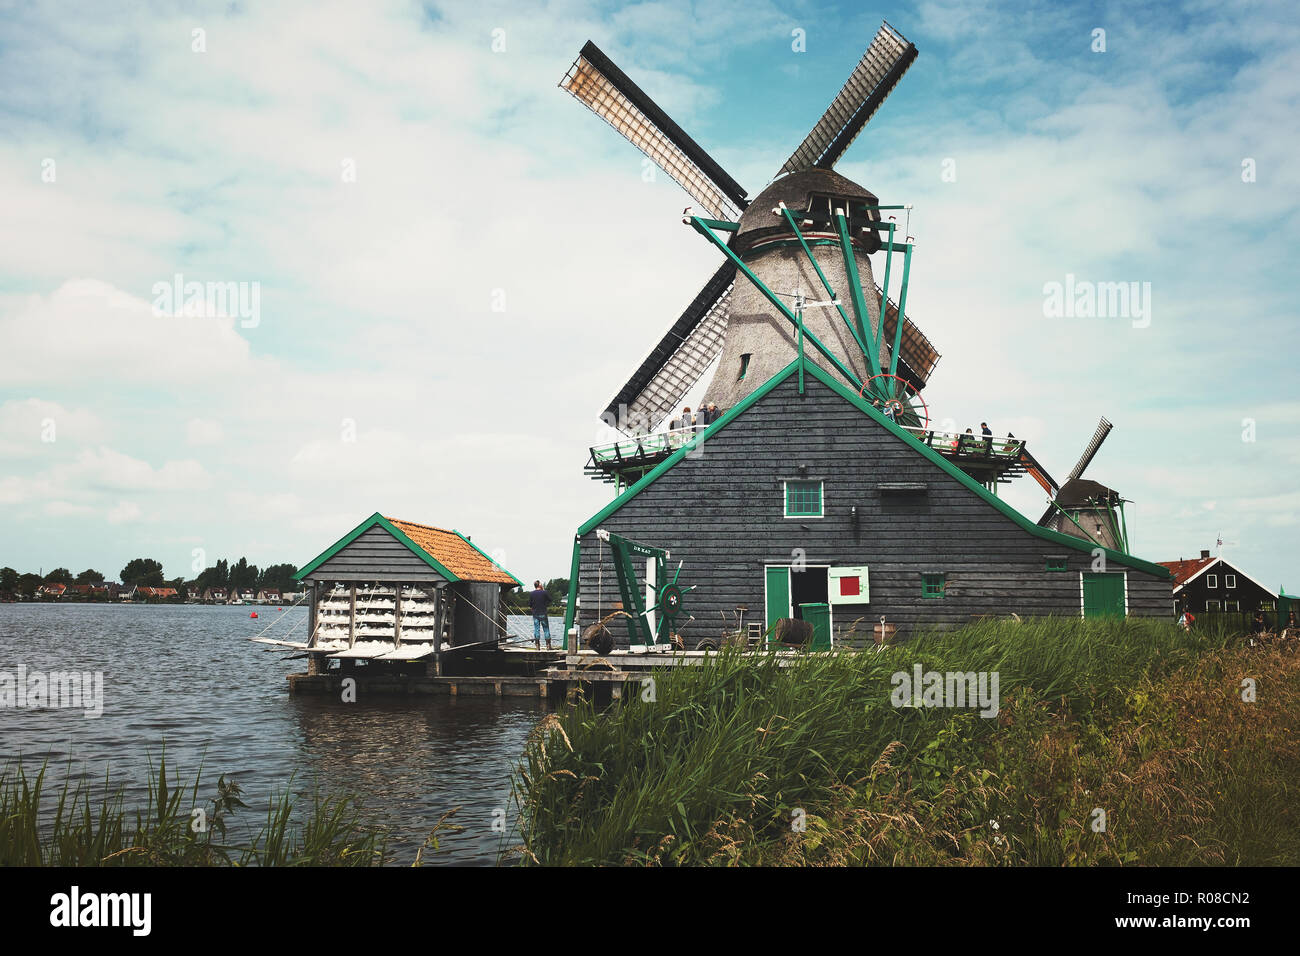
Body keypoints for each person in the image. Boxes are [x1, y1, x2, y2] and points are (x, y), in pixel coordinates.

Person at [528, 580, 551, 649]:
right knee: (546, 629)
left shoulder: (532, 593)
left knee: (536, 629)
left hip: (535, 614)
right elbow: (550, 599)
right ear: (539, 585)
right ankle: (548, 645)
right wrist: (545, 604)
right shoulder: (544, 592)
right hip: (543, 613)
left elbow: (530, 604)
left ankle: (537, 646)